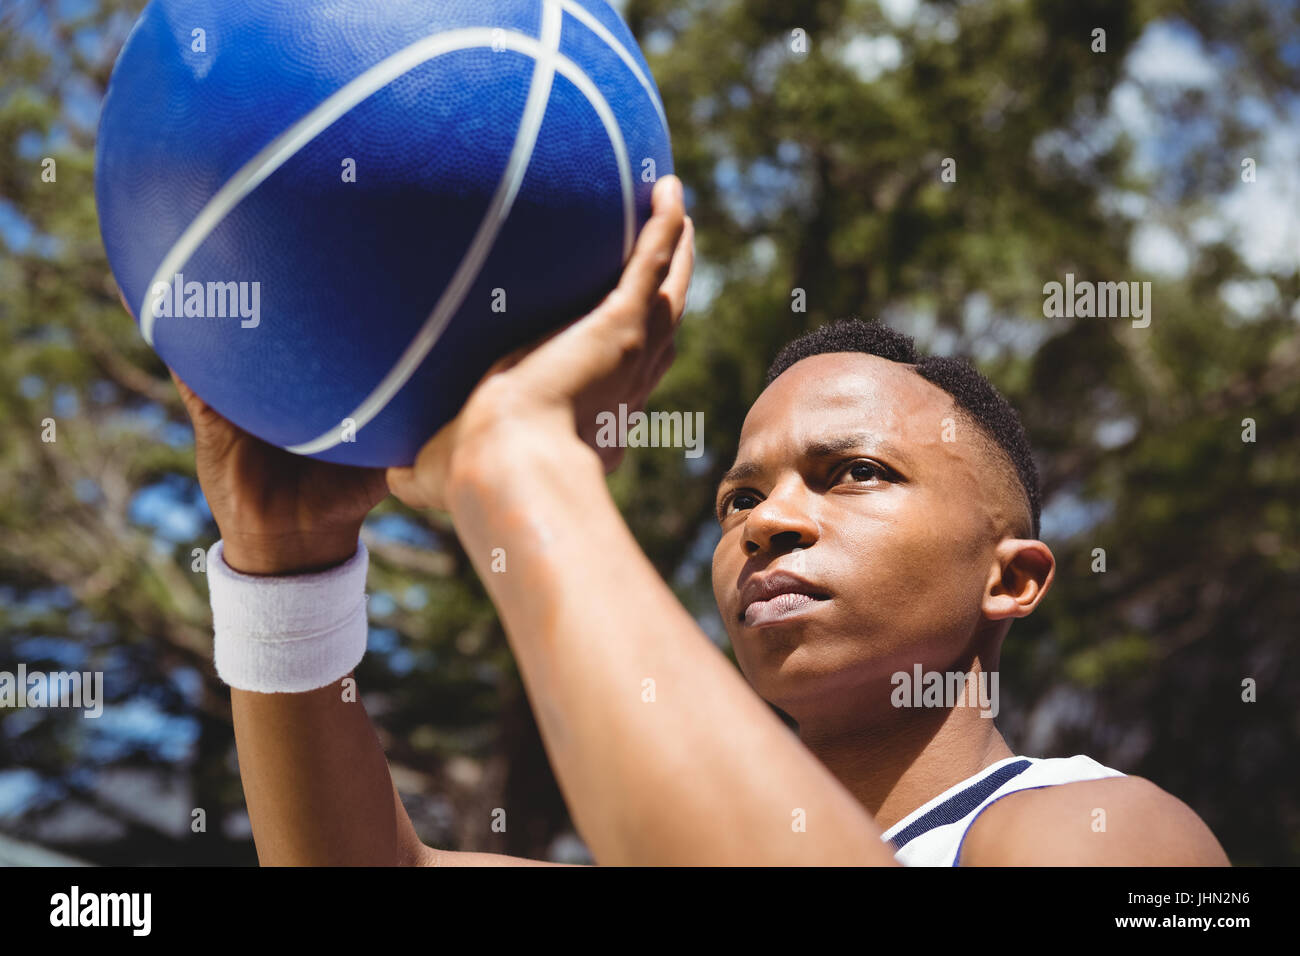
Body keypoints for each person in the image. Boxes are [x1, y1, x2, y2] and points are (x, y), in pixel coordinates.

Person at [167, 175, 1228, 865]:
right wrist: (285, 563)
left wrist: (523, 464)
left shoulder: (1108, 831)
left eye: (852, 470)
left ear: (1013, 577)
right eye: (739, 496)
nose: (768, 521)